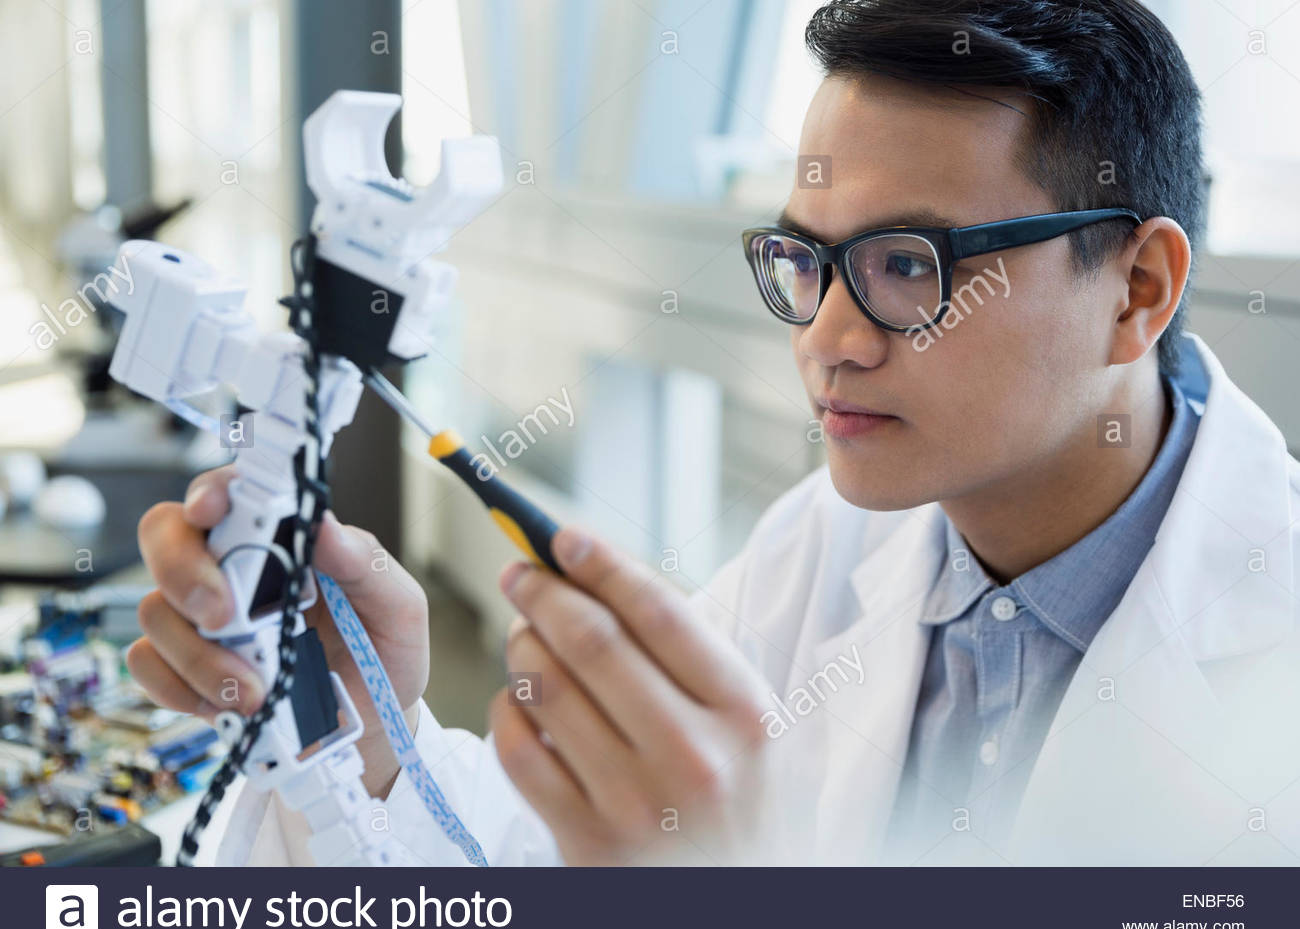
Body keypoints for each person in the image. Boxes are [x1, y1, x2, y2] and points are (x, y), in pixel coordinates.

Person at [129, 0, 1300, 866]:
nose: (828, 338)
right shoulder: (824, 547)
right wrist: (371, 725)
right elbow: (545, 862)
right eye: (806, 258)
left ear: (1136, 289)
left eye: (906, 264)